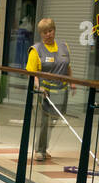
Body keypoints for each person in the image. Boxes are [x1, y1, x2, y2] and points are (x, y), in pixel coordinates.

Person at [25, 17, 73, 162]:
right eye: (45, 32)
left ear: (54, 30)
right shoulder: (36, 50)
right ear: (41, 33)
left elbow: (67, 67)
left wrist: (72, 83)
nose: (48, 34)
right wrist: (38, 87)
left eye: (50, 30)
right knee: (44, 121)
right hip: (44, 92)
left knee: (52, 121)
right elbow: (32, 73)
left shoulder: (64, 46)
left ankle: (44, 147)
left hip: (61, 91)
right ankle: (40, 150)